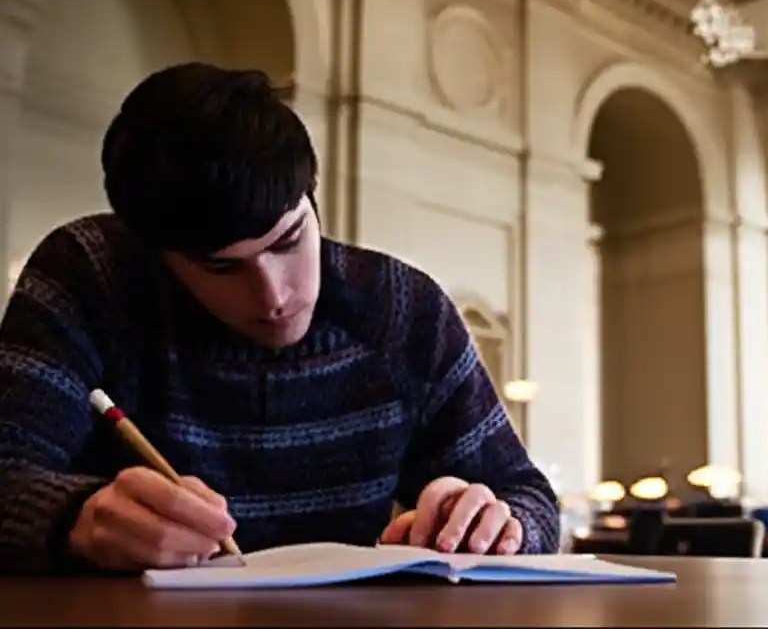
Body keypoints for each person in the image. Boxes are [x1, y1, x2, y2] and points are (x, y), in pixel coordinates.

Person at [0, 63, 559, 573]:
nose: (273, 296)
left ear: (311, 200)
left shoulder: (404, 311)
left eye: (289, 239)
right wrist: (77, 519)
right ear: (156, 251)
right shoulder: (90, 277)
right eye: (221, 267)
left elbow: (529, 499)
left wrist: (494, 526)